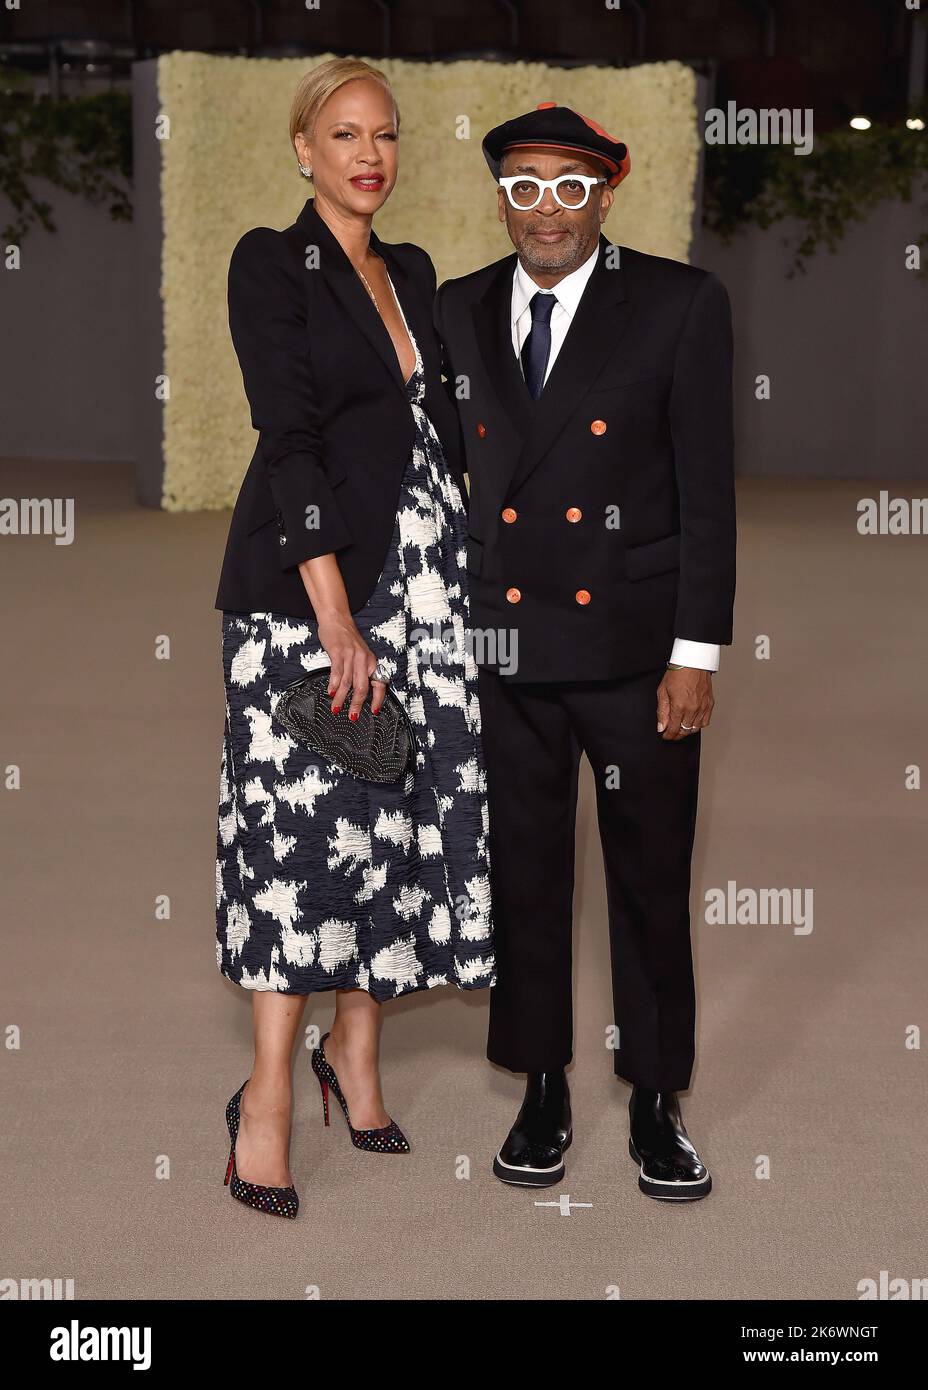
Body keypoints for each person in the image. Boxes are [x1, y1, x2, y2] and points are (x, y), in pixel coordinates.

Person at [434, 103, 735, 1198]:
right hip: (503, 649)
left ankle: (656, 1101)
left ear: (605, 191)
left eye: (568, 184)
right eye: (523, 183)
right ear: (501, 194)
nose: (545, 207)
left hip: (634, 648)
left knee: (651, 879)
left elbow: (706, 494)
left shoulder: (678, 303)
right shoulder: (457, 309)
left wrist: (694, 651)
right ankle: (543, 1084)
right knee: (522, 874)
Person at [214, 57, 494, 1218]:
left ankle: (356, 1055)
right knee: (300, 847)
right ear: (303, 150)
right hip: (309, 589)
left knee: (397, 823)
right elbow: (291, 434)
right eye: (343, 133)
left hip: (429, 586)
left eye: (383, 134)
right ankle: (268, 1097)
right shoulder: (271, 262)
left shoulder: (414, 269)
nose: (368, 153)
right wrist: (332, 613)